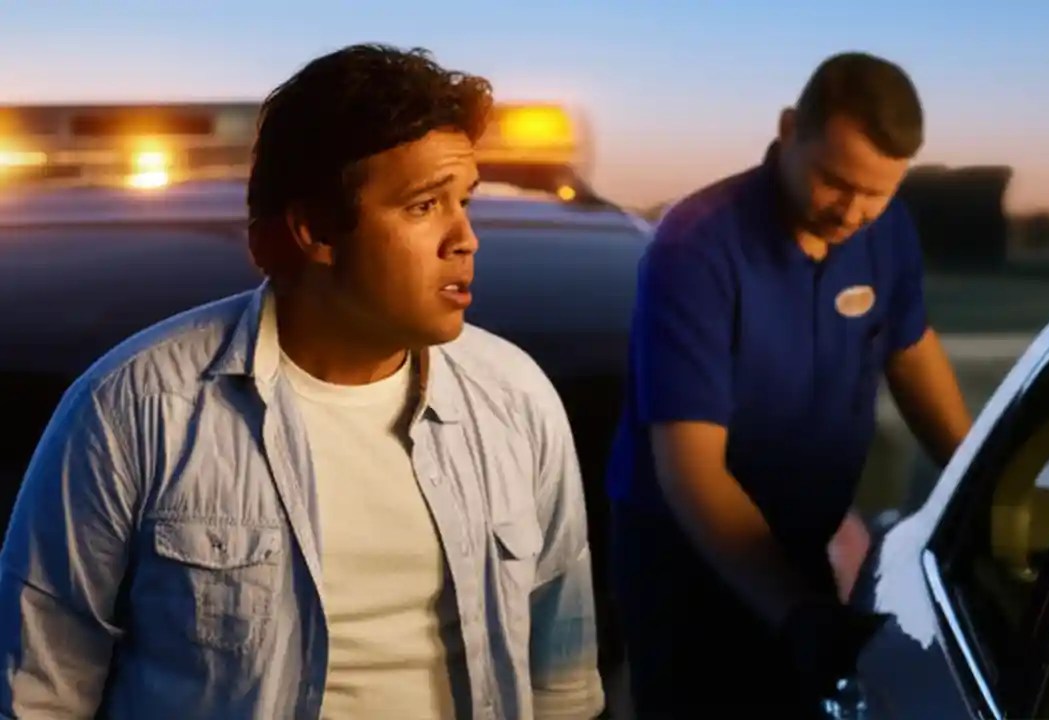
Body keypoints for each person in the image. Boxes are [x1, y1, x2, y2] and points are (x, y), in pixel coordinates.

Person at [0, 44, 604, 720]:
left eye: (463, 202)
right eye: (423, 205)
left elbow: (563, 676)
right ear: (315, 229)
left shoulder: (515, 398)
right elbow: (41, 690)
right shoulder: (135, 408)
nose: (466, 239)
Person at [606, 51, 973, 717]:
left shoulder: (884, 230)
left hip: (802, 539)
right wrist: (797, 613)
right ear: (787, 130)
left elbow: (911, 350)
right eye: (836, 181)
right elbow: (691, 470)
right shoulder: (698, 246)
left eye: (878, 190)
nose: (854, 211)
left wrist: (976, 472)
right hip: (690, 563)